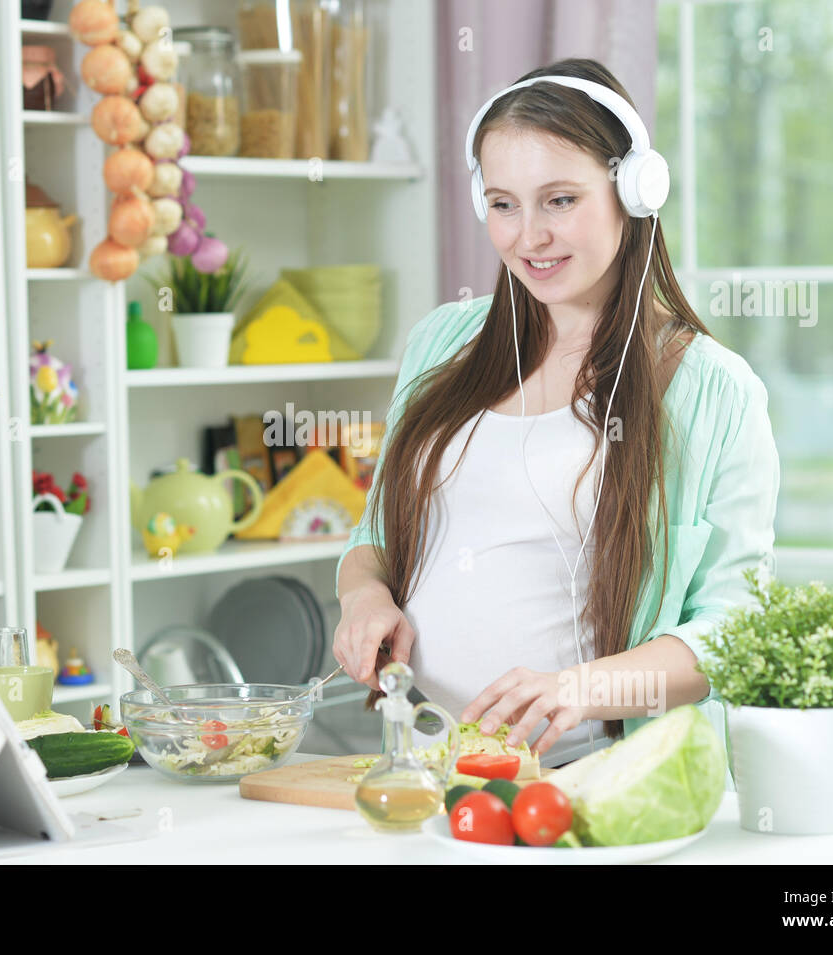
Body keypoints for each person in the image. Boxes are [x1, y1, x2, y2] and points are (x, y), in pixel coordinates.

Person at [332, 58, 780, 770]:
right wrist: (363, 596)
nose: (528, 236)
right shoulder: (441, 342)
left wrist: (578, 689)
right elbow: (375, 536)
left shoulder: (712, 390)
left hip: (588, 779)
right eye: (504, 204)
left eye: (560, 200)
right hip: (421, 765)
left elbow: (730, 631)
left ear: (634, 192)